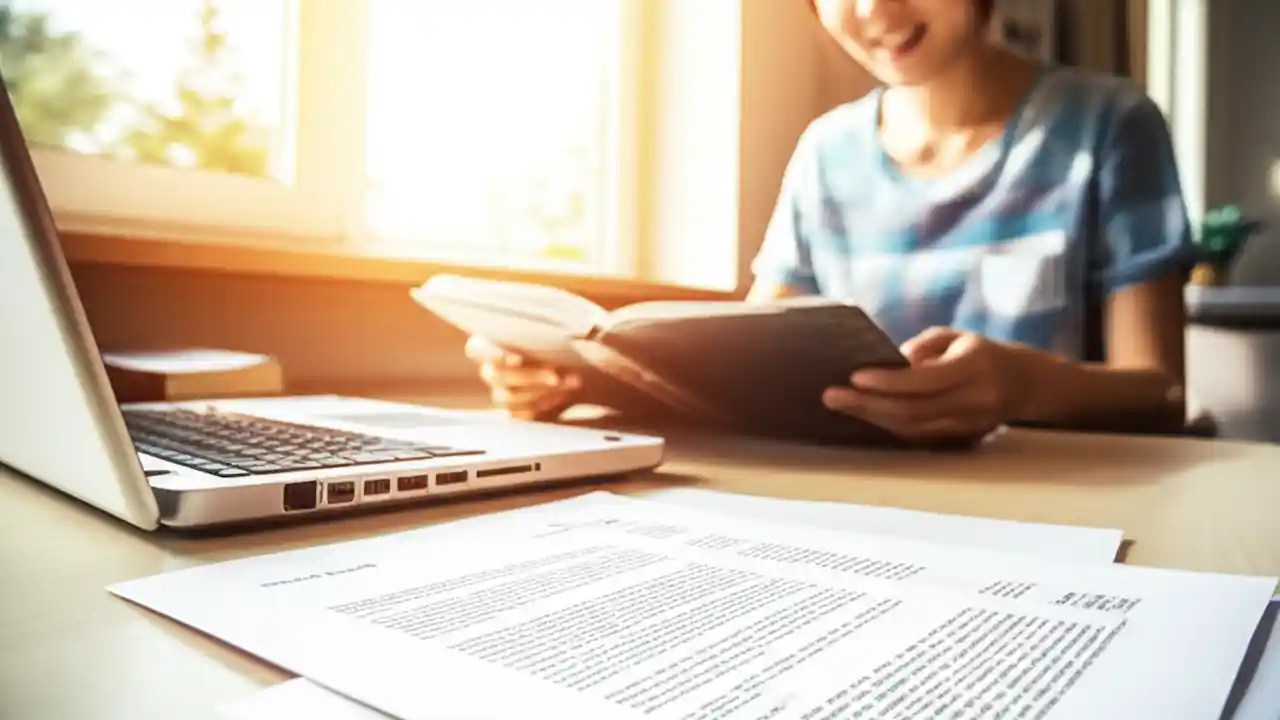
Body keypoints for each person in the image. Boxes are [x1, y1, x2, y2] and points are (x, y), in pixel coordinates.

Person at [466, 0, 1195, 445]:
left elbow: (1160, 393)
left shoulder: (1109, 125)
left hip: (1060, 508)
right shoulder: (826, 153)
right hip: (859, 504)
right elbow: (738, 365)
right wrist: (585, 382)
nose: (876, 6)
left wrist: (1020, 388)